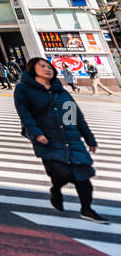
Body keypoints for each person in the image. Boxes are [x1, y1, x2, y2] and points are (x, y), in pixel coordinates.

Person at [14, 57, 107, 224]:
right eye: (42, 66)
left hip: (71, 140)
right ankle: (56, 189)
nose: (47, 69)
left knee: (83, 177)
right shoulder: (24, 89)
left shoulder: (60, 91)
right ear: (32, 70)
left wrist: (89, 138)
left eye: (49, 66)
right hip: (48, 140)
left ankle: (87, 209)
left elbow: (74, 116)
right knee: (62, 172)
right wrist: (36, 134)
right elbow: (25, 114)